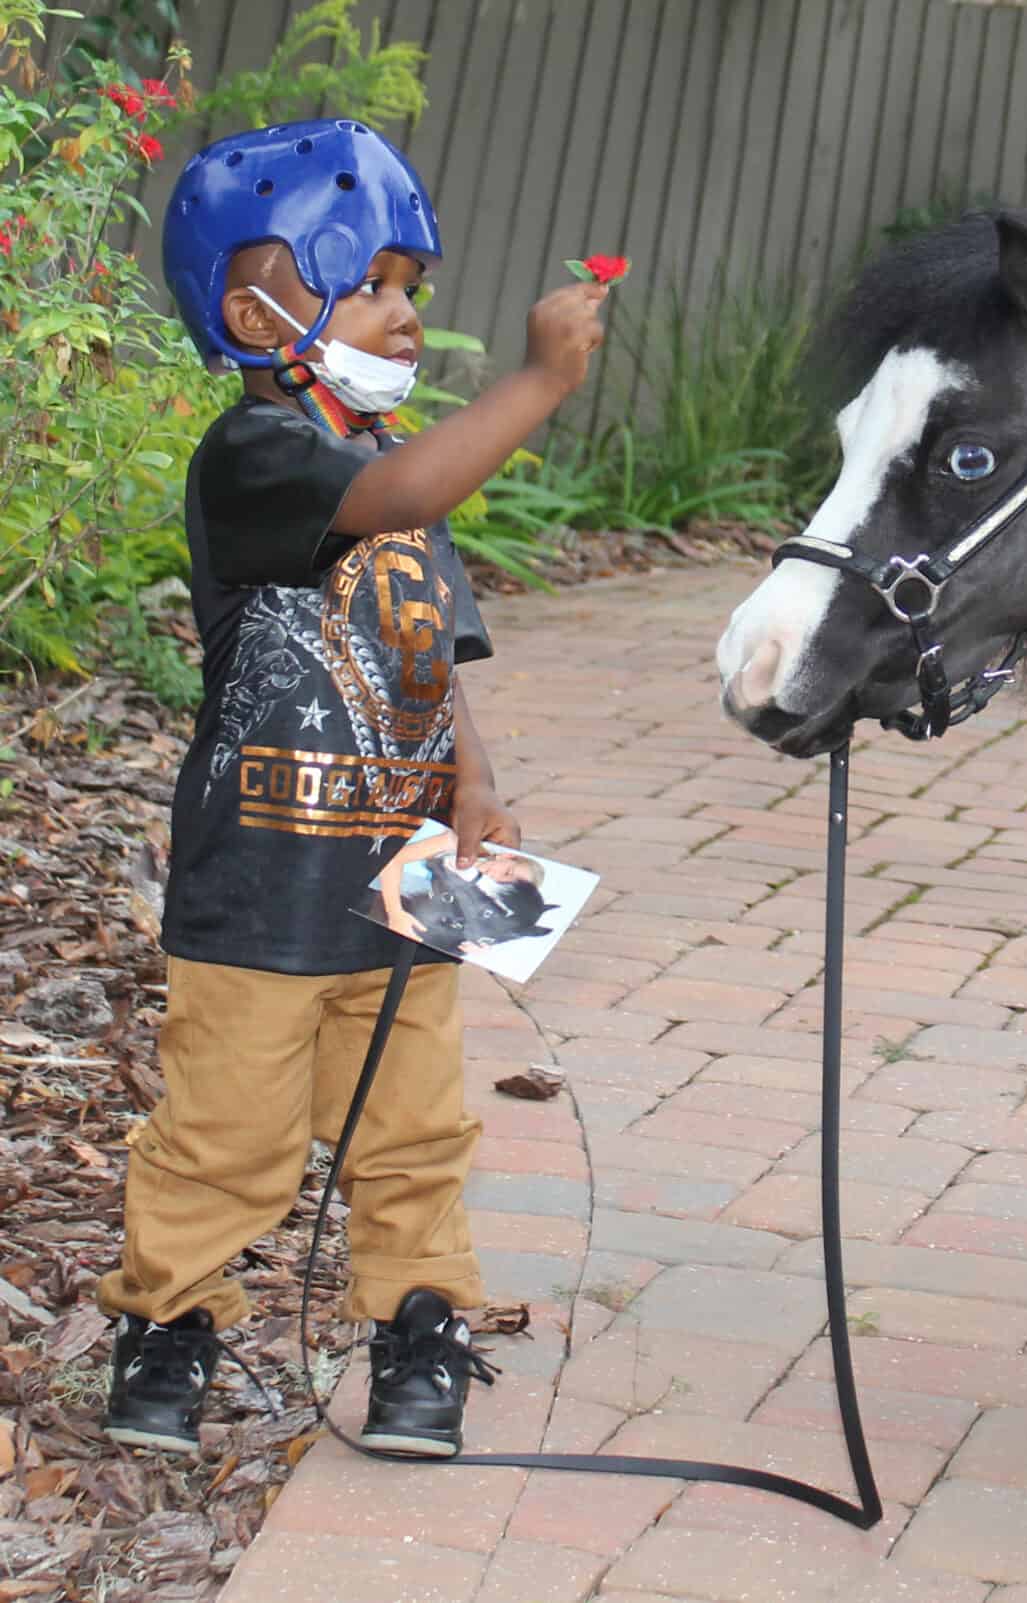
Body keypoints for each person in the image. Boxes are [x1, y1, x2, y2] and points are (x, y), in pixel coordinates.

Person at [95, 118, 607, 1458]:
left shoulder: (396, 486)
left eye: (412, 291)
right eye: (372, 283)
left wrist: (477, 786)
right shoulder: (259, 455)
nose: (404, 316)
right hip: (259, 889)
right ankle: (168, 1326)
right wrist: (542, 382)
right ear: (259, 303)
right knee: (226, 1134)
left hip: (404, 892)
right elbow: (397, 487)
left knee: (413, 1130)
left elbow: (432, 657)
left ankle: (418, 1332)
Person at [370, 829, 559, 955]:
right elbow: (390, 861)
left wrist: (469, 940)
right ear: (507, 856)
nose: (496, 878)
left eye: (505, 883)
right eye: (507, 872)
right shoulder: (454, 844)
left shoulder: (471, 893)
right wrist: (395, 912)